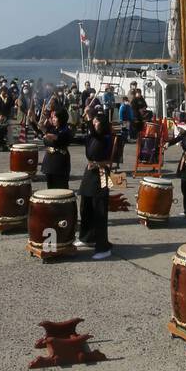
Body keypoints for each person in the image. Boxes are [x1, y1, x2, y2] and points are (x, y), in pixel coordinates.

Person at [78, 111, 113, 260]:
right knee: (85, 207)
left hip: (102, 174)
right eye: (94, 122)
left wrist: (89, 118)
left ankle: (103, 246)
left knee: (100, 210)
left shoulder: (106, 137)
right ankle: (87, 237)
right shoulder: (91, 136)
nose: (94, 123)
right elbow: (88, 134)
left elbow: (96, 135)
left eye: (97, 121)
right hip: (89, 174)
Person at [41, 107, 73, 190]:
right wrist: (32, 120)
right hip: (49, 162)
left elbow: (61, 139)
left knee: (61, 189)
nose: (53, 119)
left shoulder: (66, 130)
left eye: (55, 117)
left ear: (61, 118)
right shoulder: (52, 128)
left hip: (60, 163)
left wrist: (55, 138)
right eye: (53, 117)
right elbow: (44, 137)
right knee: (51, 190)